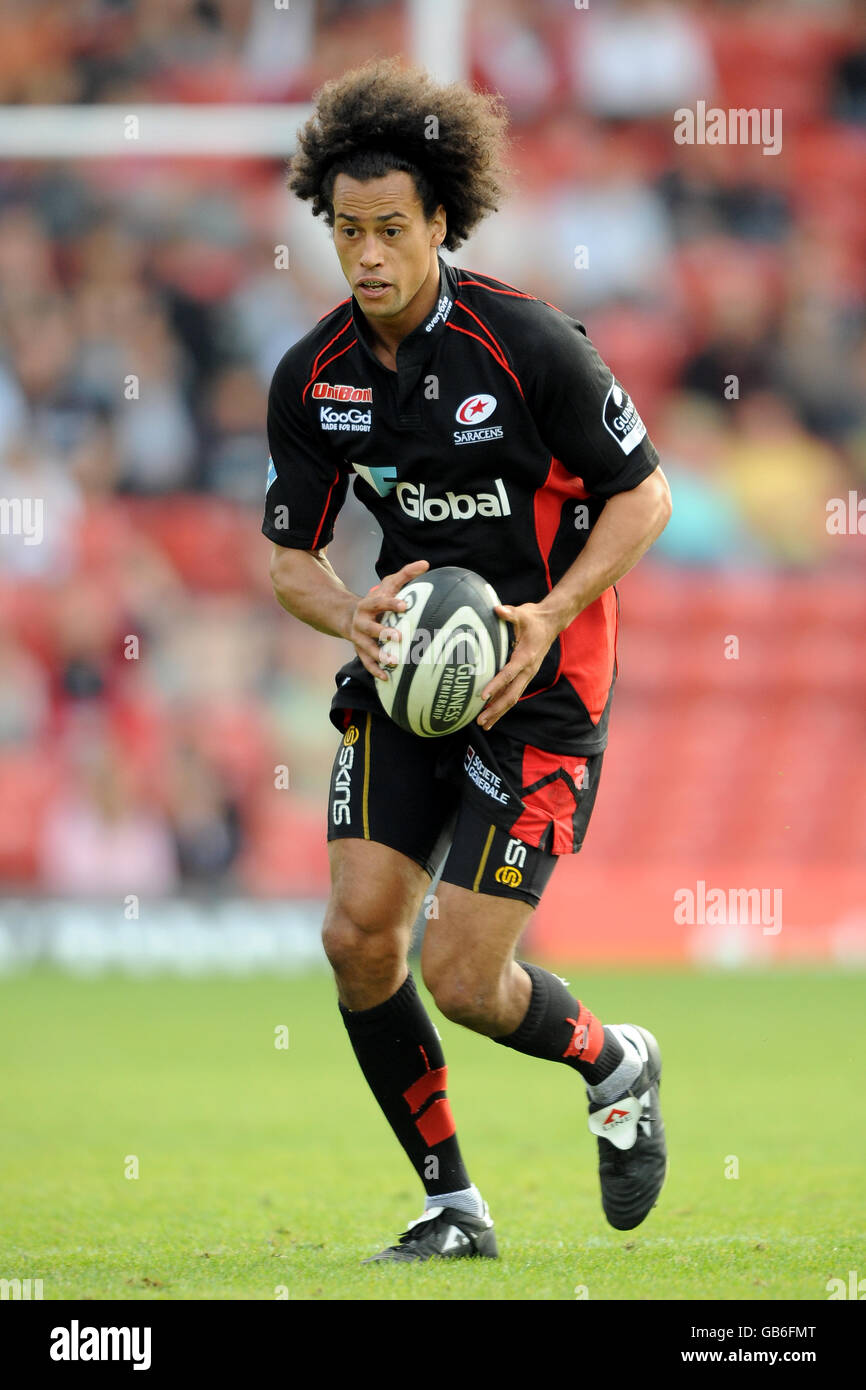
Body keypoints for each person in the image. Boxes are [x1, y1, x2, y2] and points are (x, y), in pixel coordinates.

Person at [263, 58, 672, 1262]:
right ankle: (452, 1206)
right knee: (355, 936)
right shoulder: (315, 378)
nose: (369, 254)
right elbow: (288, 562)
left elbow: (642, 499)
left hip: (540, 687)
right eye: (348, 232)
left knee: (463, 977)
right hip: (409, 674)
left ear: (440, 221)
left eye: (392, 228)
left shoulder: (527, 345)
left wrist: (548, 611)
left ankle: (616, 1060)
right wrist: (348, 614)